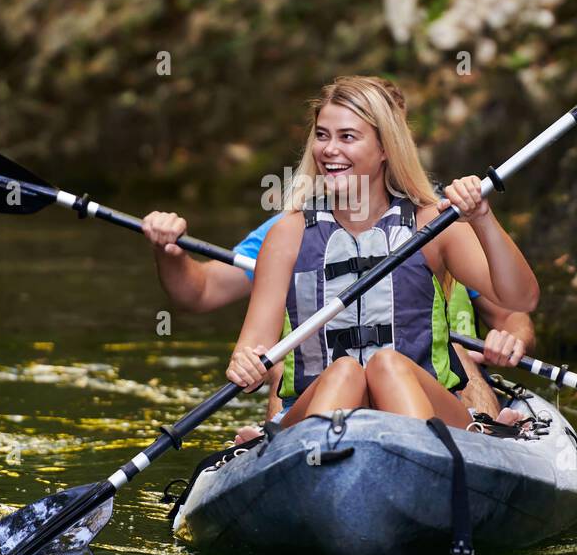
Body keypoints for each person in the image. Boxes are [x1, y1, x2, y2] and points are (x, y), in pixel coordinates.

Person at [141, 79, 533, 433]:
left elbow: (521, 299)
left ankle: (423, 465)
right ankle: (315, 467)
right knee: (344, 372)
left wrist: (482, 218)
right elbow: (252, 344)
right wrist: (245, 364)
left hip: (424, 404)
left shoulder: (432, 224)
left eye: (348, 137)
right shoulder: (287, 234)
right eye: (323, 135)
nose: (330, 149)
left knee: (387, 365)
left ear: (384, 148)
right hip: (322, 402)